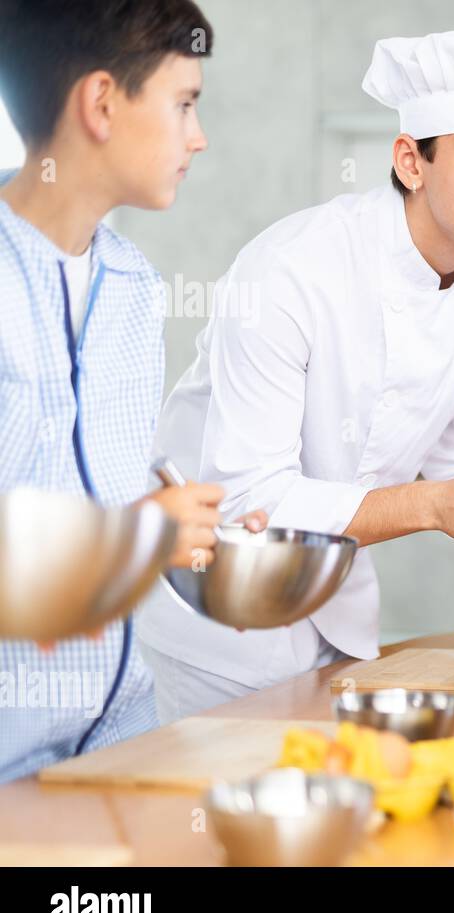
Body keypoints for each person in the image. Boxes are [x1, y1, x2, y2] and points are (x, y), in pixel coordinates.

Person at [136, 31, 454, 721]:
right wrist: (435, 507)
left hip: (340, 610)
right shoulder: (293, 270)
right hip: (224, 620)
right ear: (411, 162)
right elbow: (246, 501)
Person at [0, 0, 252, 781]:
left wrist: (189, 532)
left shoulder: (136, 291)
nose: (198, 136)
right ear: (102, 103)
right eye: (183, 104)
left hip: (112, 755)